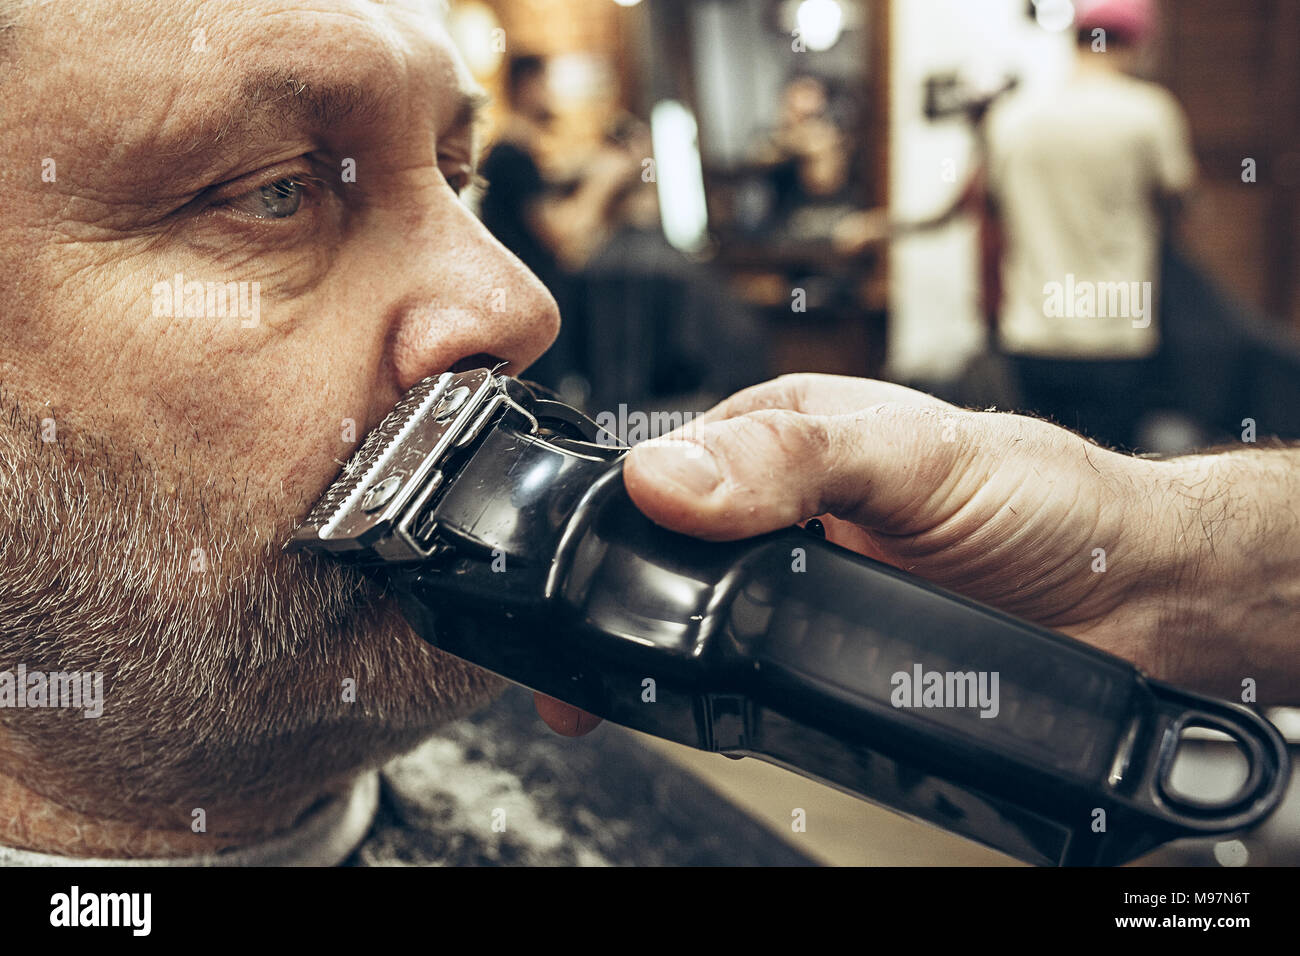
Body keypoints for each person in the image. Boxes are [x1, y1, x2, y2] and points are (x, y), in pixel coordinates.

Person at [984, 0, 1196, 449]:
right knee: (1114, 484)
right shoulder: (1150, 112)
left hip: (1033, 331)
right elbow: (1182, 200)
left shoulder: (1011, 116)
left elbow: (990, 207)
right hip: (1115, 334)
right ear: (1139, 43)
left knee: (1036, 482)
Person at [478, 54, 639, 390]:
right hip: (528, 311)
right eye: (548, 85)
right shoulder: (509, 158)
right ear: (526, 88)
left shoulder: (524, 157)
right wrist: (604, 180)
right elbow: (562, 234)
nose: (555, 95)